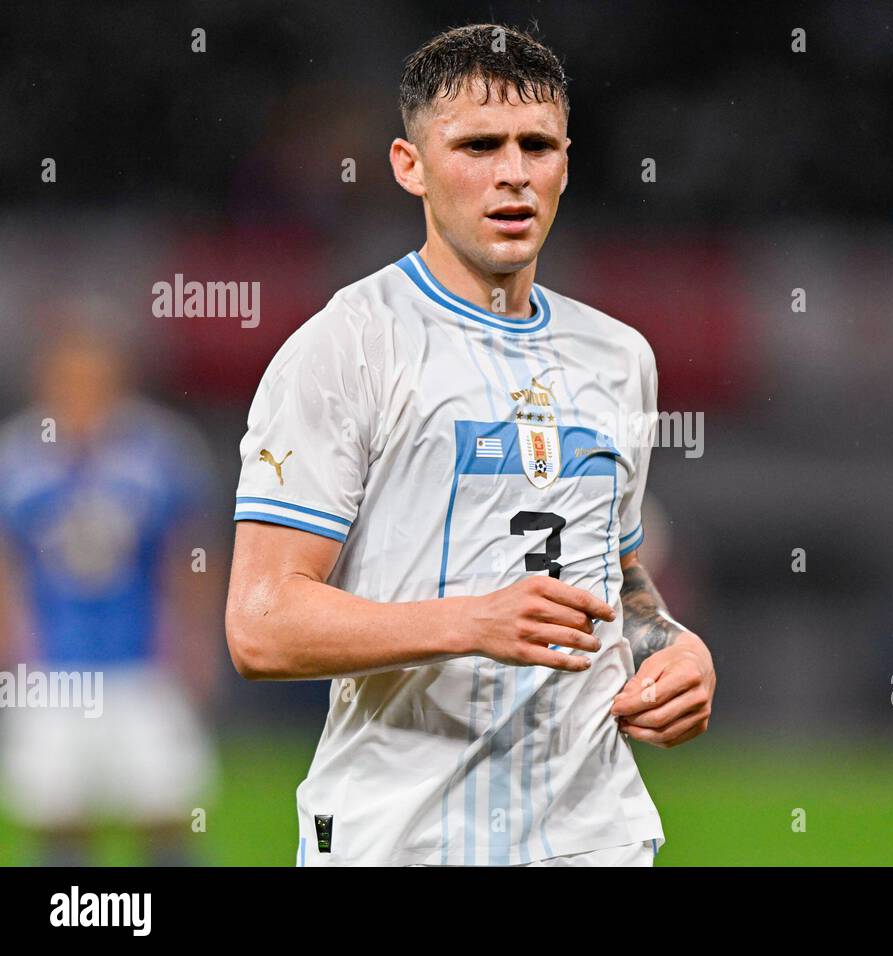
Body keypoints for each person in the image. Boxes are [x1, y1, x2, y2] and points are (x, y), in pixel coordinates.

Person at [225, 23, 716, 867]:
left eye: (537, 145)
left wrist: (672, 646)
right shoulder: (348, 345)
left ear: (567, 159)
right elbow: (261, 626)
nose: (514, 173)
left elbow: (621, 572)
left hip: (588, 837)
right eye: (479, 145)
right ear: (408, 165)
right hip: (400, 837)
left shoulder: (619, 358)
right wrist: (472, 622)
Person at [0, 313, 221, 866]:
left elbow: (188, 550)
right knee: (57, 814)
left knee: (168, 807)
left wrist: (194, 639)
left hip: (143, 659)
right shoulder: (19, 454)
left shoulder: (160, 449)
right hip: (53, 666)